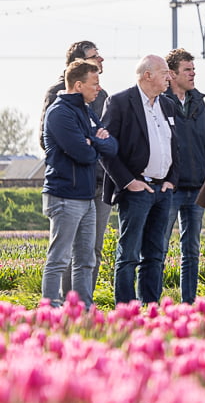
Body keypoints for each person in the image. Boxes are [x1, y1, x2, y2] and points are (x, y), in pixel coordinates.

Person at [97, 55, 179, 305]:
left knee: (155, 254)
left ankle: (150, 307)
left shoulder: (167, 104)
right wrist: (128, 182)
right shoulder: (120, 102)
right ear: (147, 75)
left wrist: (171, 180)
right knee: (129, 254)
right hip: (136, 189)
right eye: (165, 72)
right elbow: (106, 148)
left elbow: (175, 146)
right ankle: (125, 308)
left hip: (162, 190)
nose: (170, 76)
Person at [40, 60, 115, 305]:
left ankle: (82, 308)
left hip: (86, 196)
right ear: (79, 84)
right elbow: (82, 154)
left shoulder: (86, 111)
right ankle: (51, 307)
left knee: (86, 259)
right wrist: (95, 144)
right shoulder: (59, 112)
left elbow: (112, 145)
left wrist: (93, 142)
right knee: (60, 257)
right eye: (95, 83)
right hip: (64, 195)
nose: (99, 88)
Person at [43, 41, 112, 259]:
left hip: (100, 181)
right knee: (68, 252)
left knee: (94, 250)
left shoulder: (102, 95)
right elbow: (47, 140)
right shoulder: (57, 95)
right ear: (78, 64)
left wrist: (93, 144)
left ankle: (85, 294)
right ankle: (65, 295)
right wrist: (87, 147)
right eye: (95, 56)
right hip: (72, 184)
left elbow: (108, 138)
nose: (100, 60)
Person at [164, 49, 205, 304]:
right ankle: (151, 302)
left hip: (197, 187)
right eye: (187, 70)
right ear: (172, 74)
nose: (192, 73)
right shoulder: (161, 102)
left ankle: (188, 302)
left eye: (193, 69)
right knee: (159, 247)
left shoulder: (199, 102)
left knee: (191, 251)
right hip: (170, 188)